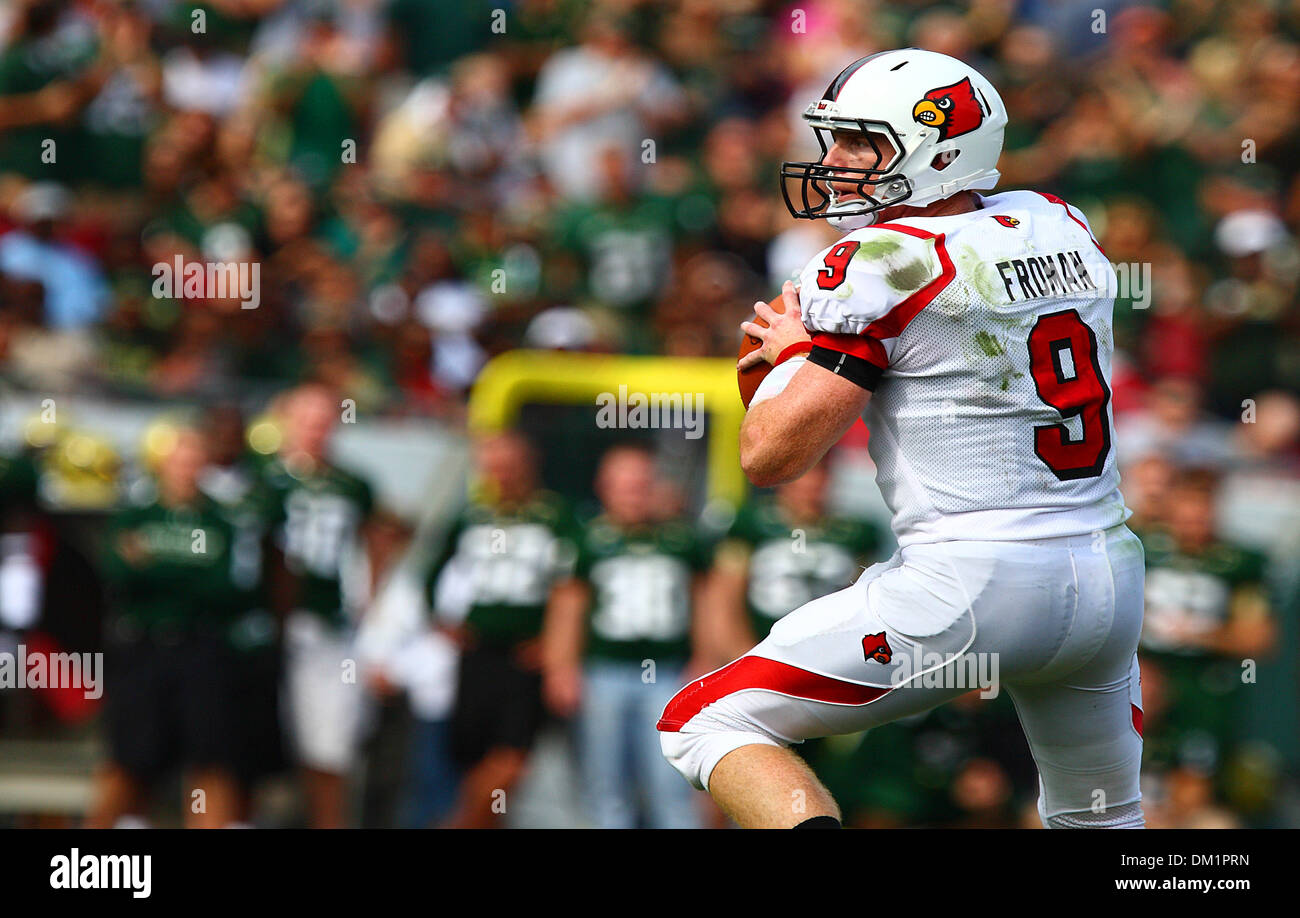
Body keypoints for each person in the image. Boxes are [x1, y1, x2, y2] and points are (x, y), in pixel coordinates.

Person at [658, 49, 1146, 830]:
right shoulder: (1061, 221)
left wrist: (796, 357)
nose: (836, 163)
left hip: (974, 581)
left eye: (861, 143)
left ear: (940, 152)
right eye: (835, 139)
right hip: (1108, 577)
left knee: (701, 721)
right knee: (1101, 821)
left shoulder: (878, 263)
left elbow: (769, 456)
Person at [542, 443, 710, 828]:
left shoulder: (681, 539)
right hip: (604, 672)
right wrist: (561, 667)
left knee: (671, 781)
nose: (634, 494)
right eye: (625, 485)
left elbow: (703, 603)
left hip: (668, 673)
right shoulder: (588, 540)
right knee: (604, 782)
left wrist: (705, 658)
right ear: (605, 487)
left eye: (641, 484)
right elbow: (568, 607)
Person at [88, 426, 247, 828]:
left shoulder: (218, 518)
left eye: (194, 459)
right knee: (129, 756)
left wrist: (155, 567)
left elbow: (225, 587)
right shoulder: (136, 513)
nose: (185, 467)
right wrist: (184, 575)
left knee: (209, 756)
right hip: (144, 646)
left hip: (200, 646)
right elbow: (119, 574)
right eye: (178, 458)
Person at [424, 430, 579, 828]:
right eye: (495, 467)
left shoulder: (554, 516)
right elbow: (431, 570)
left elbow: (573, 587)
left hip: (524, 656)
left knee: (512, 759)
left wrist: (553, 644)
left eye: (510, 466)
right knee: (474, 755)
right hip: (478, 653)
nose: (503, 475)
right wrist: (444, 622)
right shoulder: (473, 516)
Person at [262, 383, 375, 828]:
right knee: (247, 747)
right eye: (306, 418)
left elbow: (381, 540)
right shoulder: (262, 478)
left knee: (328, 751)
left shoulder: (352, 485)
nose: (315, 430)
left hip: (328, 627)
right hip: (263, 628)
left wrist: (370, 604)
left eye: (324, 419)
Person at [708, 459, 880, 660]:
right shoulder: (752, 524)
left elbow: (864, 604)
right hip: (761, 649)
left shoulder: (855, 533)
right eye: (805, 474)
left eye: (821, 472)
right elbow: (724, 599)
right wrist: (744, 657)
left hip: (826, 657)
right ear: (785, 478)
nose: (812, 483)